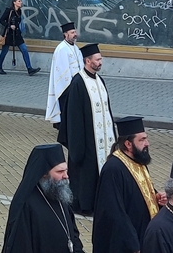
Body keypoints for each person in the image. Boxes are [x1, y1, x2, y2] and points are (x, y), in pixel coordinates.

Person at [55, 43, 113, 215]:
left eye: (101, 59)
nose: (100, 62)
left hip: (103, 140)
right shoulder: (78, 82)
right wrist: (77, 145)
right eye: (98, 59)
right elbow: (73, 117)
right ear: (88, 61)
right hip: (86, 141)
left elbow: (107, 111)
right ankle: (84, 205)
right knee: (86, 174)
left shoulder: (100, 80)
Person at [92, 116, 164, 253]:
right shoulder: (113, 169)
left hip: (143, 234)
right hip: (127, 243)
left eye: (146, 138)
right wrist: (132, 244)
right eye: (142, 140)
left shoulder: (138, 161)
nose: (147, 143)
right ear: (128, 144)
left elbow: (141, 190)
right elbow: (114, 212)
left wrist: (157, 197)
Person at [1, 143, 84, 253]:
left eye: (66, 170)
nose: (66, 176)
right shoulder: (26, 205)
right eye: (60, 172)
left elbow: (72, 234)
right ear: (44, 174)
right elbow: (20, 245)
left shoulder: (60, 195)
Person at [47, 22, 83, 127]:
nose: (75, 34)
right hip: (66, 85)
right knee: (65, 107)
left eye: (75, 32)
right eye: (72, 32)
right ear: (65, 34)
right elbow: (61, 70)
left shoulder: (75, 48)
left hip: (75, 83)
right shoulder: (62, 48)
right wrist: (70, 84)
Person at [0, 0, 40, 75]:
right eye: (19, 1)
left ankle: (29, 69)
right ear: (14, 2)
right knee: (4, 51)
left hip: (17, 34)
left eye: (21, 1)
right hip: (9, 34)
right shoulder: (9, 11)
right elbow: (1, 20)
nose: (21, 2)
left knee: (24, 49)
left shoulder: (19, 11)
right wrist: (9, 26)